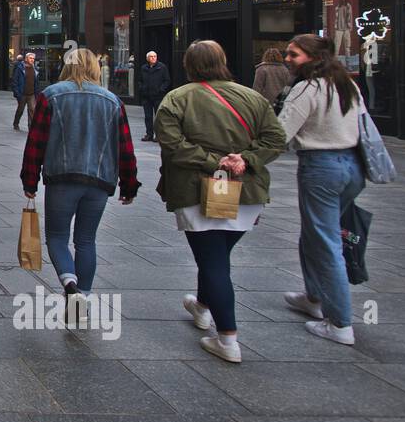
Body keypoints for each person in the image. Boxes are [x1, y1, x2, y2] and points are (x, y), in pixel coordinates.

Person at [154, 40, 286, 364]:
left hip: (197, 190)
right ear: (223, 60)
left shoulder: (177, 99)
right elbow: (276, 139)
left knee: (213, 261)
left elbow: (171, 143)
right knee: (216, 256)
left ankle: (227, 338)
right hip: (246, 191)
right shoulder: (252, 97)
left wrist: (213, 161)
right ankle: (201, 306)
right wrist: (244, 159)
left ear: (188, 65)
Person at [20, 48, 139, 320]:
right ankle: (82, 297)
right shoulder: (112, 101)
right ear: (95, 67)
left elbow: (35, 143)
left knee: (58, 238)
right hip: (98, 180)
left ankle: (69, 284)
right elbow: (125, 148)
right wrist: (128, 185)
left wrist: (30, 180)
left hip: (62, 179)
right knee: (86, 240)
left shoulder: (51, 96)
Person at [278, 34, 367, 346]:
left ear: (314, 58)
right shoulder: (346, 85)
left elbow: (280, 133)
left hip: (322, 167)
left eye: (294, 55)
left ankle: (340, 322)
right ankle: (314, 296)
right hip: (352, 167)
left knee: (325, 241)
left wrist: (248, 159)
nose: (287, 59)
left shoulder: (307, 89)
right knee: (316, 234)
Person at [139, 50, 172, 142]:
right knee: (148, 117)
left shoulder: (162, 67)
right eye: (151, 57)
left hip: (158, 96)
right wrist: (142, 88)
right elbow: (140, 80)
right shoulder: (143, 68)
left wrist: (161, 90)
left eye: (155, 56)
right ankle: (149, 134)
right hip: (146, 96)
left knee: (158, 117)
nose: (153, 58)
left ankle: (158, 135)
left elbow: (167, 81)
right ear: (147, 58)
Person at [11, 52, 44, 129]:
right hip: (22, 93)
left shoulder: (35, 68)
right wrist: (17, 93)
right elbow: (15, 81)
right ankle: (16, 123)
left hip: (31, 94)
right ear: (26, 59)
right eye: (30, 58)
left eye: (33, 58)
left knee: (32, 110)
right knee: (20, 110)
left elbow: (36, 82)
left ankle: (31, 127)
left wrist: (37, 93)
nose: (32, 60)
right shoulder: (20, 68)